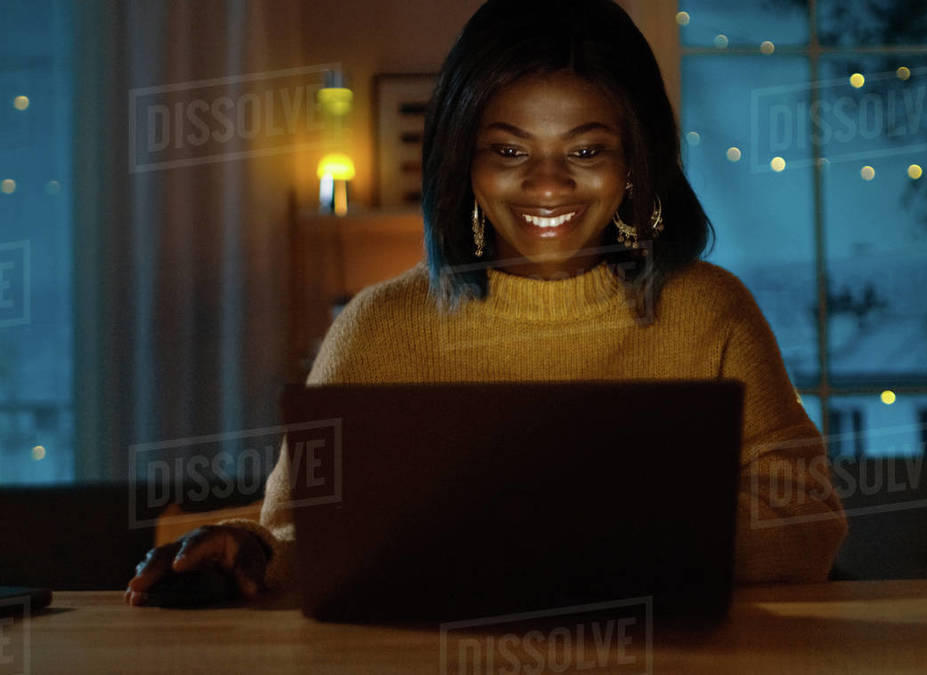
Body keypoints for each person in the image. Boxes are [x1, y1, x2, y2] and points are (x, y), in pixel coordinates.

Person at [125, 0, 847, 607]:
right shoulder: (375, 328)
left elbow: (808, 524)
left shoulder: (709, 310)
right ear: (463, 162)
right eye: (508, 151)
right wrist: (247, 551)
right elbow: (299, 541)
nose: (547, 183)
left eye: (587, 151)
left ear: (635, 166)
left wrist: (583, 536)